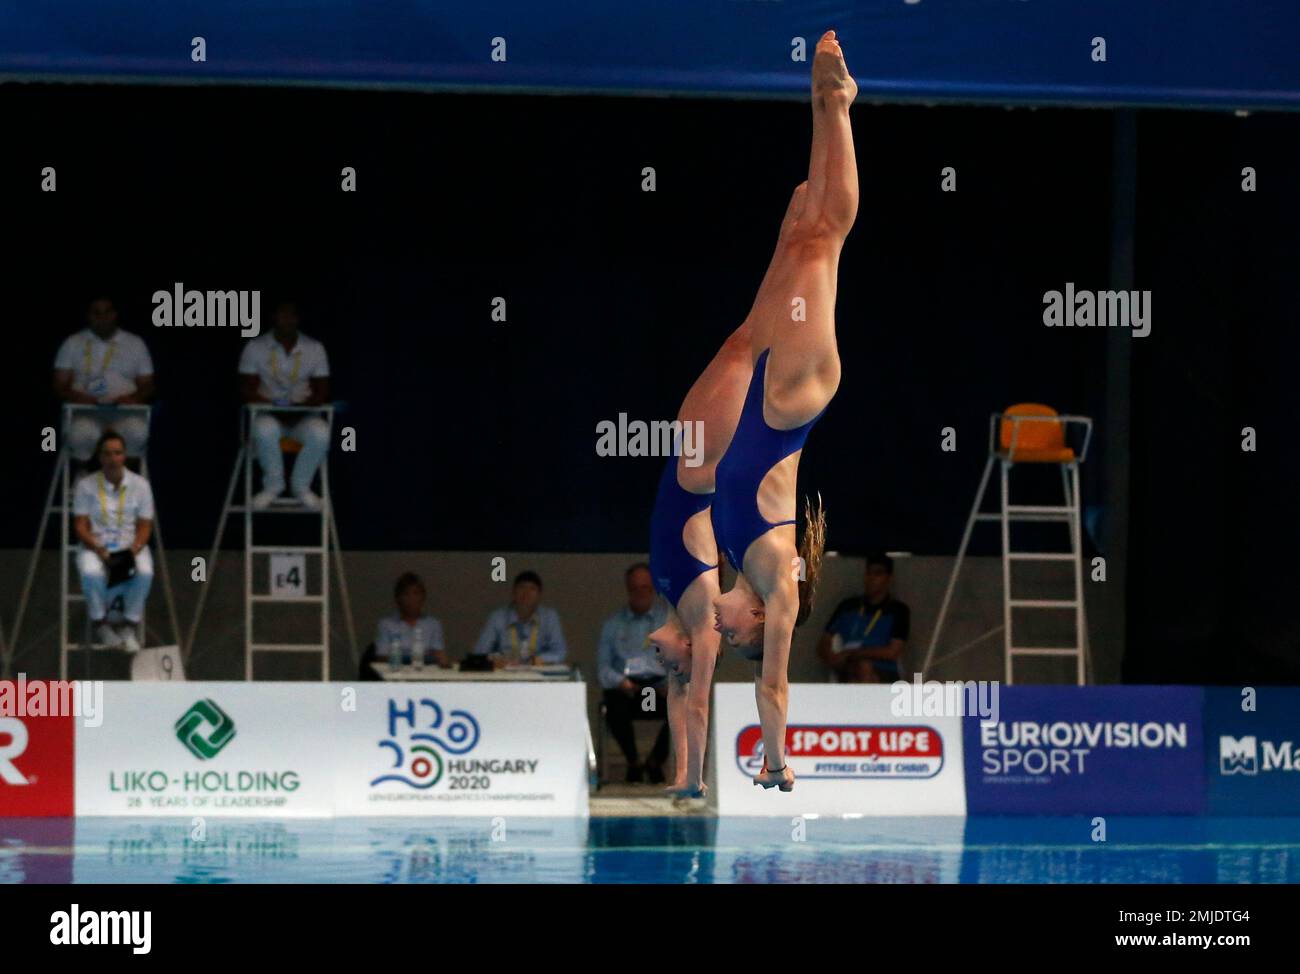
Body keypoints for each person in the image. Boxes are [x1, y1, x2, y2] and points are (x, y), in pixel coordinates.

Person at [711, 31, 860, 792]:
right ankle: (838, 108)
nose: (720, 625)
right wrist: (775, 762)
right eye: (728, 632)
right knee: (822, 242)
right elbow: (773, 689)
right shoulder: (782, 592)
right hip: (794, 399)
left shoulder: (734, 557)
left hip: (772, 387)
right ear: (757, 626)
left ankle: (821, 103)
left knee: (803, 221)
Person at [646, 321, 755, 799]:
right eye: (673, 665)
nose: (661, 662)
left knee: (738, 346)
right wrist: (695, 781)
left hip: (684, 455)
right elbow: (697, 702)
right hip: (703, 467)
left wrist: (678, 772)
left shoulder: (673, 602)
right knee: (749, 352)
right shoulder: (705, 622)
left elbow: (677, 697)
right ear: (689, 650)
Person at [238, 299, 331, 510]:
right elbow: (246, 390)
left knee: (321, 433)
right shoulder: (255, 347)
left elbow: (322, 391)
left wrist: (301, 406)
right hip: (268, 415)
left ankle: (301, 487)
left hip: (303, 417)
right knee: (263, 429)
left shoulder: (314, 348)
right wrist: (272, 404)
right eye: (283, 314)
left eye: (292, 315)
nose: (287, 320)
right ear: (274, 317)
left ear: (298, 319)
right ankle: (273, 486)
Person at [72, 430, 155, 652]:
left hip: (131, 544)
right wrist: (98, 549)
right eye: (107, 454)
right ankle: (102, 625)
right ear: (100, 457)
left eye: (117, 453)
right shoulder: (85, 485)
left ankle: (129, 626)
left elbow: (146, 525)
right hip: (96, 544)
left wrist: (132, 551)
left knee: (145, 572)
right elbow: (80, 525)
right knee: (91, 572)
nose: (112, 458)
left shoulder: (141, 485)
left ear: (124, 456)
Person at [53, 295, 155, 460]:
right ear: (88, 315)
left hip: (125, 412)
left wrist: (134, 398)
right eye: (96, 313)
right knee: (82, 435)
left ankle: (124, 478)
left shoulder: (135, 343)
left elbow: (148, 384)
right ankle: (85, 474)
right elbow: (59, 385)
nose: (102, 318)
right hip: (84, 412)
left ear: (115, 314)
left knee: (137, 433)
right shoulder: (72, 343)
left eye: (107, 312)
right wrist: (77, 397)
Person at [598, 564, 671, 783]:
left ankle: (656, 761)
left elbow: (682, 659)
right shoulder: (612, 625)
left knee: (686, 703)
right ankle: (634, 762)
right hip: (627, 689)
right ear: (628, 589)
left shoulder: (668, 621)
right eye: (635, 588)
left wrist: (671, 683)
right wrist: (620, 682)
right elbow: (602, 667)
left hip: (659, 687)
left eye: (646, 588)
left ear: (653, 589)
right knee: (612, 705)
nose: (640, 593)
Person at [817, 552, 910, 683]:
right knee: (858, 669)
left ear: (889, 578)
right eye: (868, 573)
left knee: (864, 666)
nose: (871, 578)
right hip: (848, 667)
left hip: (884, 671)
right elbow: (825, 641)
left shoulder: (898, 610)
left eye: (877, 574)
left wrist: (854, 653)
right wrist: (831, 657)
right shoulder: (848, 606)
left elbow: (892, 651)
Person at [471, 571, 567, 667]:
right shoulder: (498, 617)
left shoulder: (549, 617)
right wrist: (494, 659)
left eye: (532, 589)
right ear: (513, 592)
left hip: (539, 675)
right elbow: (479, 653)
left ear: (539, 595)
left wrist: (539, 659)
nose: (526, 593)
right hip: (505, 675)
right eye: (522, 587)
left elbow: (560, 652)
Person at [373, 572, 449, 668]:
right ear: (398, 598)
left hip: (426, 674)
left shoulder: (433, 624)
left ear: (423, 597)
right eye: (406, 594)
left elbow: (439, 654)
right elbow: (382, 657)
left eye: (416, 593)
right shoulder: (386, 624)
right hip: (395, 672)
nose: (411, 599)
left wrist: (441, 660)